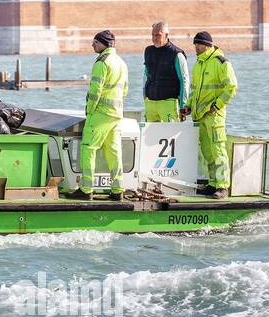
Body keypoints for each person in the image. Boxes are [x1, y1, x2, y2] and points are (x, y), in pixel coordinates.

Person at [66, 29, 128, 201]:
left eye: (95, 42)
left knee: (88, 148)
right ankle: (117, 189)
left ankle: (86, 189)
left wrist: (90, 109)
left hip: (100, 114)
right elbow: (125, 90)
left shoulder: (101, 63)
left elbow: (95, 91)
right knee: (114, 152)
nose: (92, 44)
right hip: (116, 114)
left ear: (104, 44)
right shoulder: (121, 63)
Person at [183, 31, 238, 199]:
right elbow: (194, 91)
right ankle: (213, 183)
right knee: (207, 151)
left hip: (214, 116)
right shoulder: (198, 64)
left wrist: (217, 105)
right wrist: (188, 106)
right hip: (200, 115)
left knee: (218, 150)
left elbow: (231, 88)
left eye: (198, 45)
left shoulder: (221, 63)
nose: (195, 48)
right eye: (195, 45)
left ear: (206, 45)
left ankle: (222, 187)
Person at [142, 21, 188, 122]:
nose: (154, 38)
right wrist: (144, 95)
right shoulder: (148, 51)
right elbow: (146, 75)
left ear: (166, 35)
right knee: (150, 136)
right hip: (150, 103)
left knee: (170, 135)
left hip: (169, 104)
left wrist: (183, 106)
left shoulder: (177, 54)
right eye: (153, 35)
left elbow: (184, 81)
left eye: (158, 35)